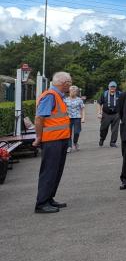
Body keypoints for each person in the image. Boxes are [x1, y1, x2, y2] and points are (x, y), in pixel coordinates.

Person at [33, 71, 73, 214]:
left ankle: (49, 198)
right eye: (69, 82)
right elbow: (39, 118)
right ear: (64, 84)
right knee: (49, 171)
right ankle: (42, 203)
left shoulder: (57, 96)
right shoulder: (50, 96)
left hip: (59, 139)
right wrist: (39, 137)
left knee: (56, 171)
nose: (70, 85)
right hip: (52, 141)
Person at [97, 81, 121, 147]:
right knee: (103, 129)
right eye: (111, 87)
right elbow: (99, 103)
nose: (112, 88)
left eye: (114, 87)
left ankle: (113, 142)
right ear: (108, 87)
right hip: (106, 114)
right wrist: (99, 113)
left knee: (115, 129)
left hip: (116, 114)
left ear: (116, 87)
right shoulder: (104, 94)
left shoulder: (119, 94)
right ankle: (102, 139)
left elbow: (124, 103)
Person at [64, 85, 85, 152]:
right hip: (68, 118)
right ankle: (69, 146)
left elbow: (82, 109)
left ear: (77, 92)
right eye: (72, 91)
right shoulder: (65, 100)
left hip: (77, 117)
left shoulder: (79, 100)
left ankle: (75, 143)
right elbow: (63, 109)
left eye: (75, 91)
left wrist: (83, 118)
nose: (73, 92)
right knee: (68, 133)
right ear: (69, 91)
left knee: (77, 132)